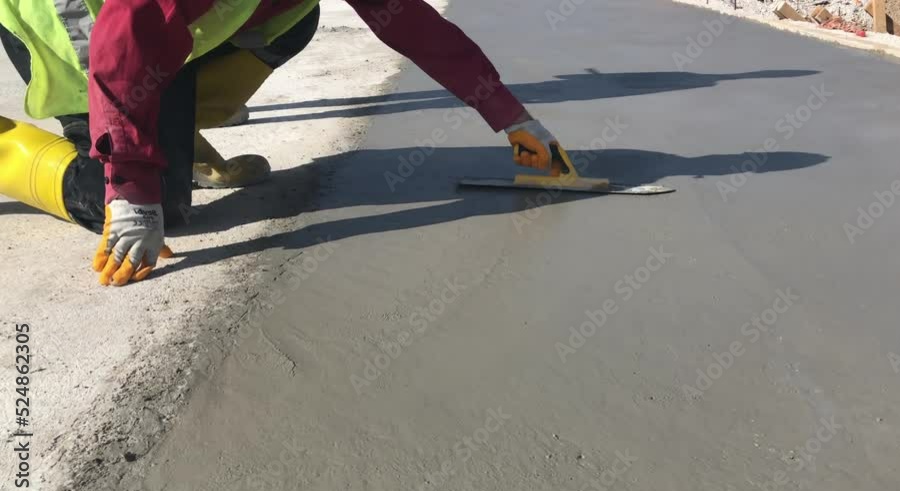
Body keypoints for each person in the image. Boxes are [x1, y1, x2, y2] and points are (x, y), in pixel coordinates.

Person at [0, 0, 562, 287]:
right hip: (75, 22)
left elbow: (410, 22)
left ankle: (173, 137)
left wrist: (510, 116)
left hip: (150, 31)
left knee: (294, 16)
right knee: (149, 208)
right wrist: (129, 187)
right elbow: (127, 36)